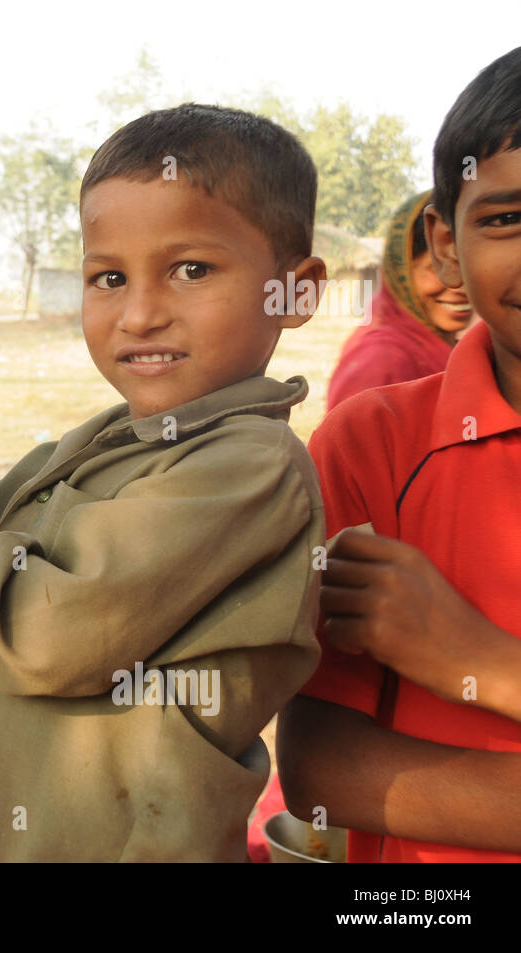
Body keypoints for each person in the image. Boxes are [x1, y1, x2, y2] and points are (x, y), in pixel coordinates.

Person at [0, 104, 327, 861]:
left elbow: (48, 631)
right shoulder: (98, 443)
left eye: (191, 270)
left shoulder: (251, 466)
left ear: (295, 292)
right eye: (109, 277)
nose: (139, 313)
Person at [278, 46, 521, 862]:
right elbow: (320, 766)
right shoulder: (374, 446)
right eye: (507, 218)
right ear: (444, 242)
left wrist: (480, 661)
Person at [326, 190, 473, 409]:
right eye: (436, 268)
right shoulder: (381, 365)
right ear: (400, 272)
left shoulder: (449, 349)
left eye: (471, 266)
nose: (460, 285)